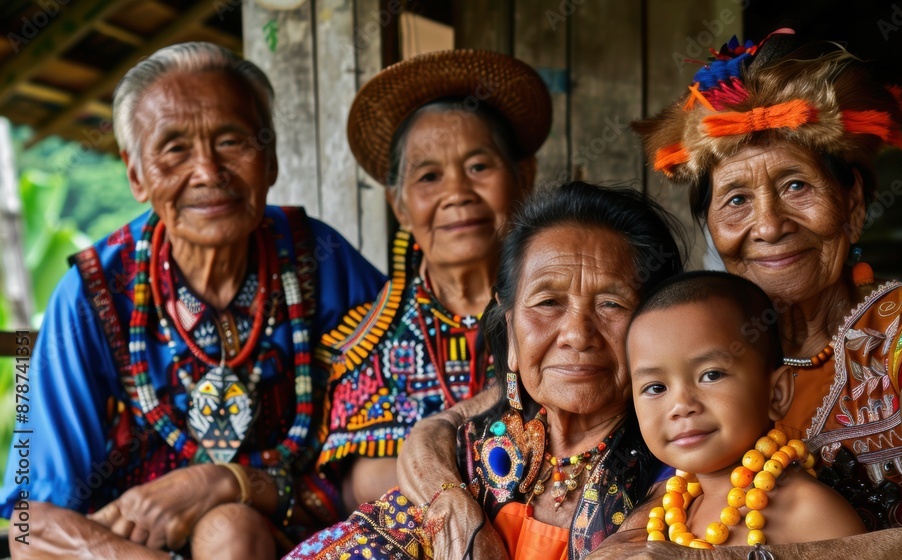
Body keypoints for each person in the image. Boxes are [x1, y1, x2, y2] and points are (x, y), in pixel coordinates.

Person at [595, 29, 902, 557]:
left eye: (796, 186)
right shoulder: (702, 340)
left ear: (852, 201)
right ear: (711, 229)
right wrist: (444, 435)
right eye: (737, 199)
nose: (768, 225)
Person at [1, 42, 385, 559]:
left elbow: (393, 443)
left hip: (303, 539)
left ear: (269, 159)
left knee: (231, 529)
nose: (208, 171)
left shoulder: (324, 259)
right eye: (175, 148)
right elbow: (26, 522)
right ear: (136, 174)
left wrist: (225, 483)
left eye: (231, 141)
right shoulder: (91, 295)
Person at [285, 181, 686, 559]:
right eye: (547, 302)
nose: (577, 335)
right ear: (510, 326)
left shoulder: (678, 469)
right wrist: (452, 509)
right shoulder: (471, 453)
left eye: (611, 304)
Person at [311, 49, 551, 517]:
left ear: (524, 178)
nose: (456, 193)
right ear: (400, 206)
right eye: (429, 176)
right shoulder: (364, 340)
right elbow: (364, 486)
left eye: (479, 167)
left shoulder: (566, 311)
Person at [626, 271, 866, 548]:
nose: (681, 406)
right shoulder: (671, 513)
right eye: (656, 388)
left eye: (711, 374)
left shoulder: (807, 511)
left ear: (776, 393)